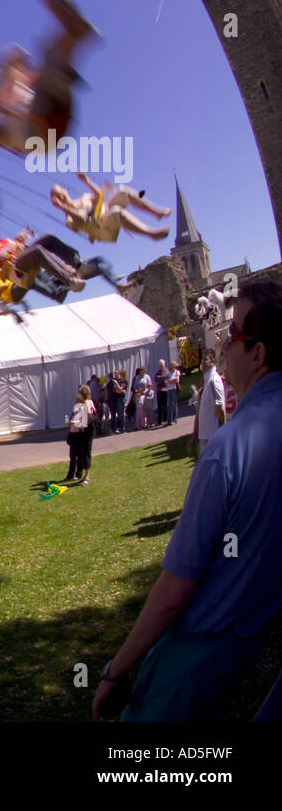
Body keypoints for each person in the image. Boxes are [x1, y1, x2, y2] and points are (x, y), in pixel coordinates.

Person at [93, 281, 282, 721]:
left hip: (198, 651)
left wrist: (114, 671)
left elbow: (175, 592)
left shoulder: (229, 451)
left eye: (233, 334)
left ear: (258, 355)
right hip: (247, 640)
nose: (223, 342)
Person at [0, 0, 97, 152]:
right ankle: (74, 36)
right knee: (48, 66)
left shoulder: (1, 86)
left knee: (49, 51)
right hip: (40, 132)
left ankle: (75, 33)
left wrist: (10, 62)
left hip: (50, 111)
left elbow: (16, 55)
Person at [49, 171, 171, 243]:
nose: (62, 198)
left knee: (123, 191)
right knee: (116, 212)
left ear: (65, 191)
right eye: (58, 198)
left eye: (61, 194)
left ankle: (156, 212)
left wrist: (86, 180)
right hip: (103, 229)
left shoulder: (83, 198)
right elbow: (82, 220)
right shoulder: (69, 220)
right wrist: (62, 207)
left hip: (105, 210)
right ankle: (151, 233)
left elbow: (99, 196)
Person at [190, 352, 226, 457]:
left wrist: (222, 431)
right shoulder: (207, 381)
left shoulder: (214, 381)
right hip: (205, 434)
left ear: (213, 361)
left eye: (205, 359)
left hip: (213, 434)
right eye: (202, 360)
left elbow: (220, 408)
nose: (202, 362)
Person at [65, 385, 89, 483]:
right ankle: (70, 474)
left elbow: (82, 421)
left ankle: (78, 474)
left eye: (77, 399)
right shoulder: (75, 410)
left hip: (79, 434)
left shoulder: (83, 408)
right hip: (73, 433)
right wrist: (69, 422)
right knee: (72, 456)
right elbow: (73, 419)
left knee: (78, 455)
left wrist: (73, 422)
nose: (75, 400)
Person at [108, 368, 127, 435]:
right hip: (116, 400)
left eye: (118, 374)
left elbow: (120, 390)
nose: (117, 375)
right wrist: (119, 390)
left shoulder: (124, 381)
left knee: (121, 415)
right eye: (115, 374)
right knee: (116, 415)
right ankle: (117, 428)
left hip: (121, 399)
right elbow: (116, 390)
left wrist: (117, 386)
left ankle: (122, 428)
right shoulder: (117, 381)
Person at [154, 360, 170, 427]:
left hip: (165, 390)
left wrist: (160, 378)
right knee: (160, 406)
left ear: (164, 364)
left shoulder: (166, 371)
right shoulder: (158, 372)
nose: (161, 366)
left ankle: (165, 420)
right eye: (160, 365)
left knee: (165, 405)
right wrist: (161, 378)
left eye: (162, 364)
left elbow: (166, 377)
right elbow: (155, 379)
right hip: (159, 390)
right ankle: (159, 421)